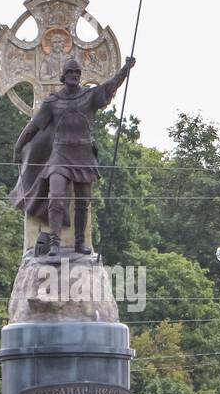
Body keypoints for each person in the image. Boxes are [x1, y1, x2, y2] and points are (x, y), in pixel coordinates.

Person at [10, 54, 135, 257]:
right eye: (70, 72)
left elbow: (110, 86)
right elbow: (34, 126)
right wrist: (18, 146)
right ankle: (55, 244)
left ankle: (79, 243)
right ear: (63, 75)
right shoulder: (53, 102)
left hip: (83, 154)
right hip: (59, 155)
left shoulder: (89, 96)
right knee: (56, 196)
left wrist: (125, 70)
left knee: (83, 202)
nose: (74, 75)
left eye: (77, 72)